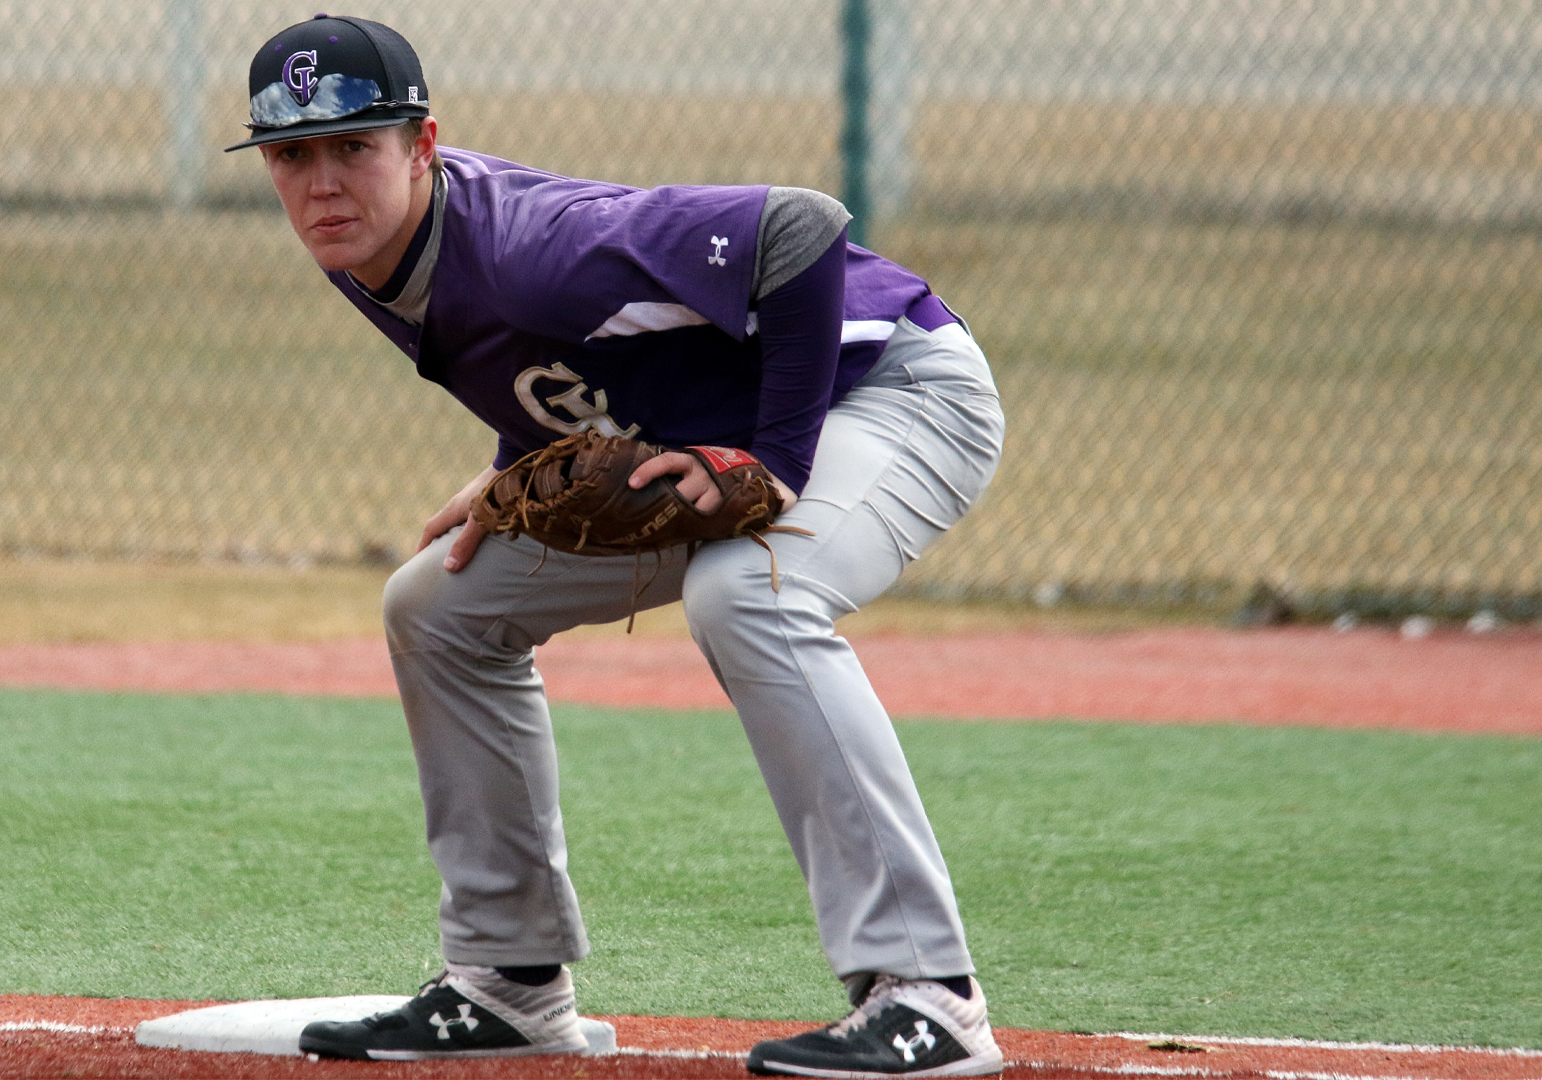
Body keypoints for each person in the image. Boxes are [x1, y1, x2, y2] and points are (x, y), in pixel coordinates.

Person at [227, 15, 1007, 1076]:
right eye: (291, 155)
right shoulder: (369, 246)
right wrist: (518, 464)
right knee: (437, 606)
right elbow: (556, 357)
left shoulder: (536, 248)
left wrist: (772, 464)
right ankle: (510, 982)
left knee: (750, 591)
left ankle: (928, 993)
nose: (322, 183)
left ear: (423, 145)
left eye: (354, 147)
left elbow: (801, 230)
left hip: (892, 387)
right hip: (693, 442)